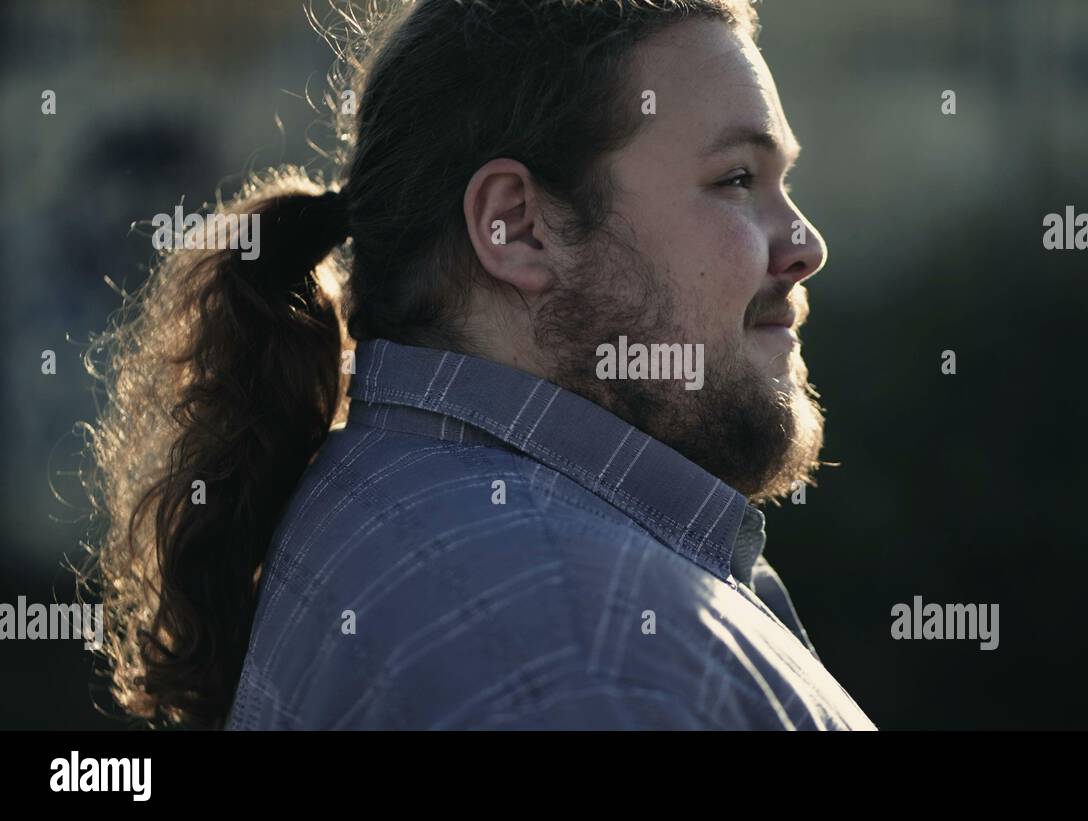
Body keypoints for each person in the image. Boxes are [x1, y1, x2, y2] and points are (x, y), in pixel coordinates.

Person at [85, 0, 875, 730]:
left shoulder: (381, 489)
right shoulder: (596, 670)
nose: (806, 245)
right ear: (517, 227)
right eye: (736, 178)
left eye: (783, 181)